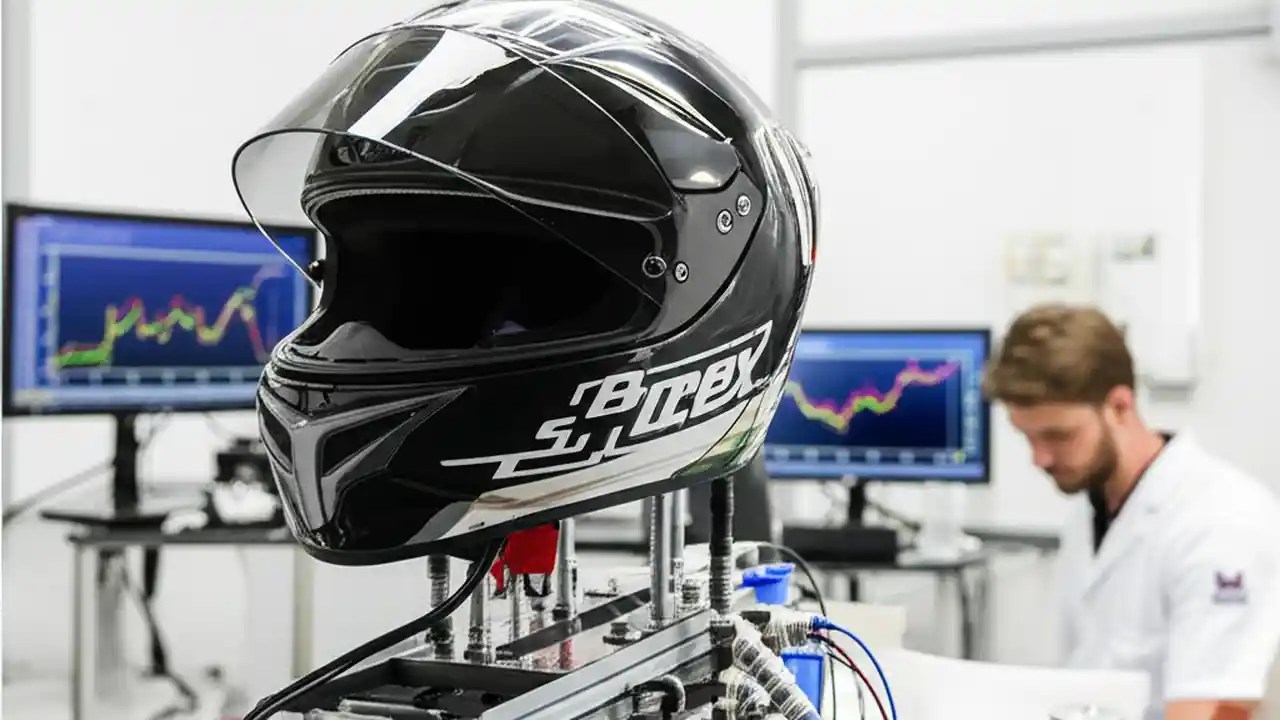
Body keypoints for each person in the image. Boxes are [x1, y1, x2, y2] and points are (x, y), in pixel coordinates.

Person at [982, 303, 1280, 720]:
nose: (1040, 459)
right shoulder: (1091, 514)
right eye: (1027, 437)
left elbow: (1214, 710)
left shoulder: (1222, 522)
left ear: (1120, 406)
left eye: (1058, 435)